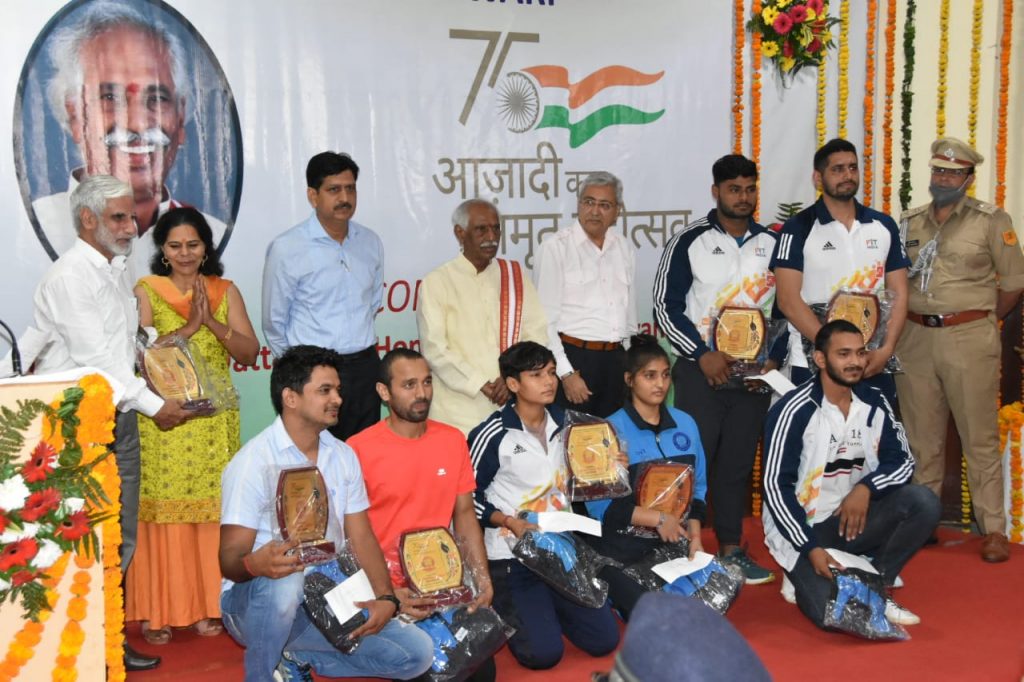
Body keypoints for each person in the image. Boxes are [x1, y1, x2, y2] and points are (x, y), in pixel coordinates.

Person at [30, 174, 191, 671]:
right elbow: (96, 361)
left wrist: (160, 351)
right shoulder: (70, 277)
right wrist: (156, 406)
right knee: (83, 537)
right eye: (118, 218)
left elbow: (123, 346)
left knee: (120, 533)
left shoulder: (116, 267)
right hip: (77, 426)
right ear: (87, 219)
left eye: (131, 217)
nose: (131, 227)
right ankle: (78, 648)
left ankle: (107, 639)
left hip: (118, 418)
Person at [218, 345, 433, 682]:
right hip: (256, 603)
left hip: (328, 594)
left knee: (417, 654)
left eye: (337, 390)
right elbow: (229, 560)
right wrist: (256, 564)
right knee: (287, 581)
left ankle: (296, 655)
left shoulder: (343, 455)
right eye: (325, 391)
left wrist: (385, 597)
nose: (338, 399)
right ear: (290, 398)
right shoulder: (252, 462)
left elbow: (361, 535)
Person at [125, 207, 259, 644]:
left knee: (210, 514)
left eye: (193, 245)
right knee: (163, 515)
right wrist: (190, 326)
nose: (184, 253)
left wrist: (212, 323)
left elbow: (249, 353)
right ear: (163, 251)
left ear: (206, 248)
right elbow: (140, 356)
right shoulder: (147, 290)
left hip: (214, 425)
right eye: (175, 246)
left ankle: (207, 606)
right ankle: (159, 610)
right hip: (165, 421)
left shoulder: (224, 290)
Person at [653, 154, 784, 584]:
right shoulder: (689, 241)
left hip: (753, 377)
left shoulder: (772, 243)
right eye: (733, 190)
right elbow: (665, 307)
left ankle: (731, 549)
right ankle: (677, 551)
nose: (743, 197)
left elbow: (785, 308)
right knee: (692, 462)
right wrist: (699, 354)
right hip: (701, 373)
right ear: (716, 191)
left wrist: (773, 357)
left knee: (736, 465)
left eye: (749, 189)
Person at [762, 320, 940, 631]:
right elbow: (775, 487)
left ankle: (878, 581)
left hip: (851, 518)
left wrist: (866, 489)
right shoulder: (792, 409)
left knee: (923, 502)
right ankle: (802, 570)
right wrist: (809, 548)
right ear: (820, 359)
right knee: (832, 616)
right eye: (843, 354)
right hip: (803, 529)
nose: (855, 362)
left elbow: (903, 461)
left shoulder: (874, 401)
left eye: (860, 353)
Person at [895, 137, 1024, 564]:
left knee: (979, 437)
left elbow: (1013, 283)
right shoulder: (909, 222)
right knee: (922, 439)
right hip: (915, 338)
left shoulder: (992, 220)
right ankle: (924, 522)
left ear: (969, 178)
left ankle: (994, 529)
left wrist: (977, 319)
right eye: (938, 171)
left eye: (953, 173)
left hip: (968, 338)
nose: (943, 178)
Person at [32, 0, 226, 268]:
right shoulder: (43, 223)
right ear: (74, 115)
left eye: (156, 98)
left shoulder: (210, 233)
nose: (136, 124)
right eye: (109, 97)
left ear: (180, 119)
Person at [468, 341, 620, 670]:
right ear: (513, 384)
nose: (549, 381)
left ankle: (546, 606)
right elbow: (467, 499)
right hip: (512, 556)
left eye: (551, 372)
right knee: (543, 655)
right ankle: (524, 606)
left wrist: (611, 466)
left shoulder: (570, 424)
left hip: (561, 551)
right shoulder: (492, 433)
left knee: (605, 640)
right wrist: (507, 521)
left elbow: (589, 480)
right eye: (536, 375)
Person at [348, 348, 496, 681]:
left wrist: (481, 578)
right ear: (384, 392)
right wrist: (386, 593)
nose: (422, 393)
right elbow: (351, 536)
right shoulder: (357, 449)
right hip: (388, 589)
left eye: (427, 382)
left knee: (480, 674)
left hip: (442, 581)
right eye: (409, 385)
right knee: (422, 668)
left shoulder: (452, 440)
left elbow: (464, 514)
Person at [771, 138, 909, 406]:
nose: (847, 175)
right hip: (815, 360)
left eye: (852, 168)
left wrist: (886, 349)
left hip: (872, 361)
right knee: (816, 432)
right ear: (818, 178)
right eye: (837, 169)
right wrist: (834, 350)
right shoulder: (797, 228)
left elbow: (900, 292)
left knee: (875, 431)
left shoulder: (883, 225)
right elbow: (787, 300)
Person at [582, 334, 709, 621]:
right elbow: (601, 508)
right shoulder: (607, 431)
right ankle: (616, 589)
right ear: (629, 380)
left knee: (719, 595)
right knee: (655, 616)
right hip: (622, 548)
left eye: (665, 375)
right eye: (649, 376)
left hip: (674, 542)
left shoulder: (686, 423)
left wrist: (695, 539)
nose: (660, 384)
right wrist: (659, 520)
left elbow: (699, 489)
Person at [262, 152, 385, 441]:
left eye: (350, 188)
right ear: (313, 196)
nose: (345, 198)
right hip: (313, 373)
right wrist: (301, 370)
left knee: (361, 453)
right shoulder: (287, 247)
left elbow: (372, 303)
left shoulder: (370, 242)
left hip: (364, 368)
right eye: (334, 189)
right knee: (312, 454)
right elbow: (273, 321)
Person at [417, 199, 548, 434]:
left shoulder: (515, 276)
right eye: (481, 229)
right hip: (457, 412)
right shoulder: (436, 282)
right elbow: (434, 348)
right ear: (460, 233)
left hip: (514, 403)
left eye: (496, 229)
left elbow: (536, 334)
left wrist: (511, 378)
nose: (491, 237)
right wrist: (480, 384)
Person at [534, 171, 637, 418]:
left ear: (617, 211)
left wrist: (630, 365)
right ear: (579, 205)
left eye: (605, 205)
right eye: (589, 202)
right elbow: (543, 322)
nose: (595, 211)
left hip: (616, 362)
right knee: (575, 439)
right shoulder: (556, 248)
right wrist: (566, 373)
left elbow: (629, 317)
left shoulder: (623, 247)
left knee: (613, 437)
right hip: (574, 360)